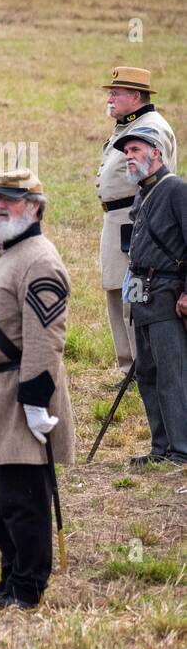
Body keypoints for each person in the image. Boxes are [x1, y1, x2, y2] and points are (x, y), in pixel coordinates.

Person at [0, 169, 74, 609]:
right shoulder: (2, 249)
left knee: (22, 500)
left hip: (18, 393)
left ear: (35, 208)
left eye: (12, 199)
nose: (1, 205)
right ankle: (9, 580)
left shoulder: (40, 259)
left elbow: (47, 340)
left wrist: (35, 400)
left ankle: (28, 587)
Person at [95, 66, 178, 373]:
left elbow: (159, 182)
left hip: (136, 220)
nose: (110, 98)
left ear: (135, 95)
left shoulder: (151, 128)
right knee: (117, 290)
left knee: (135, 293)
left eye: (116, 93)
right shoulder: (127, 126)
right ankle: (128, 365)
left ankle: (142, 367)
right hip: (116, 221)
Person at [113, 125, 187, 466]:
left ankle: (181, 450)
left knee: (172, 375)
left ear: (156, 153)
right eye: (126, 152)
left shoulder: (176, 190)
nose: (129, 157)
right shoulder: (145, 191)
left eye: (136, 151)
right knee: (148, 372)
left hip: (166, 293)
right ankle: (161, 448)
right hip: (142, 295)